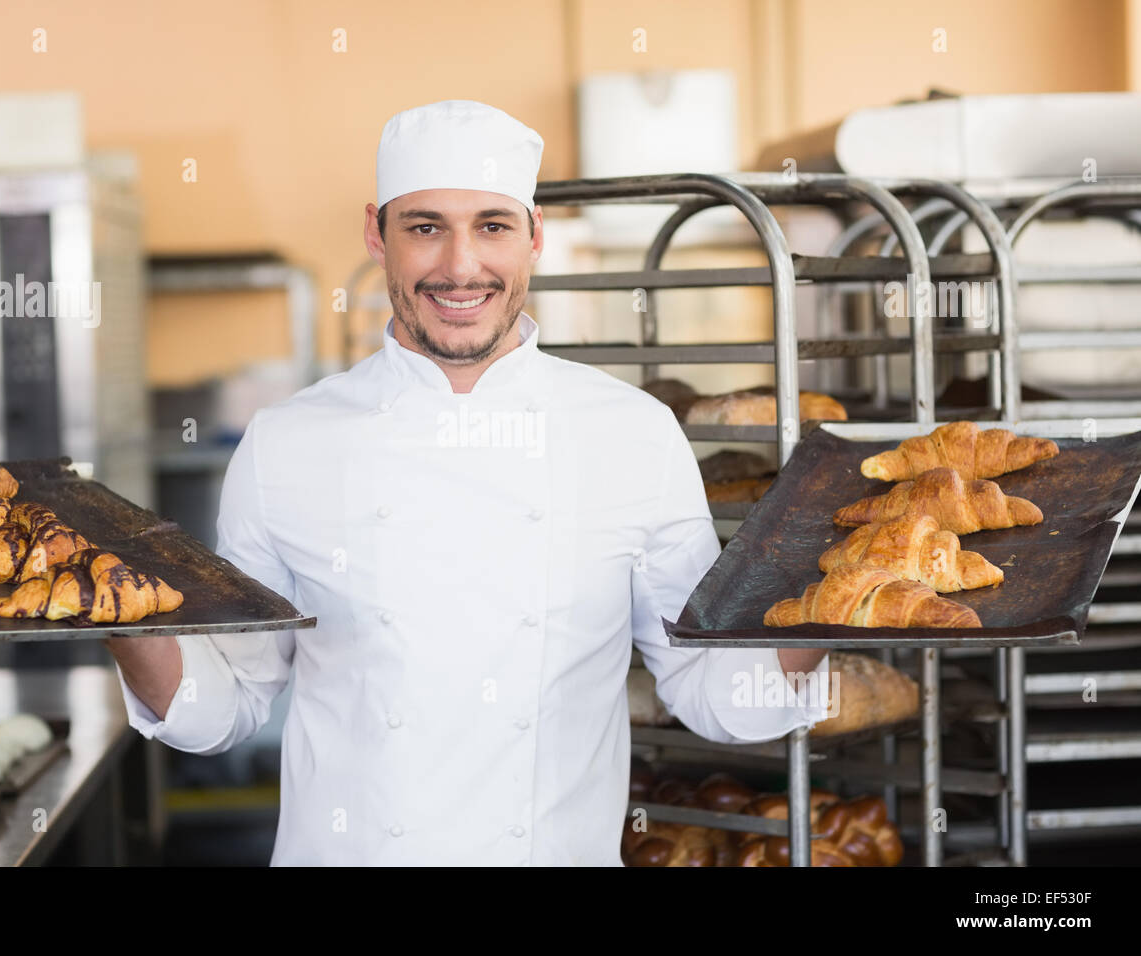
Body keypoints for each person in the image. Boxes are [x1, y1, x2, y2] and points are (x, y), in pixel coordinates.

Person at [106, 99, 829, 866]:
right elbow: (224, 708)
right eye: (424, 227)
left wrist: (831, 596)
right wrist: (112, 617)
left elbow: (713, 697)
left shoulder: (632, 434)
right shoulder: (287, 442)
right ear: (374, 235)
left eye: (492, 225)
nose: (460, 267)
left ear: (534, 236)